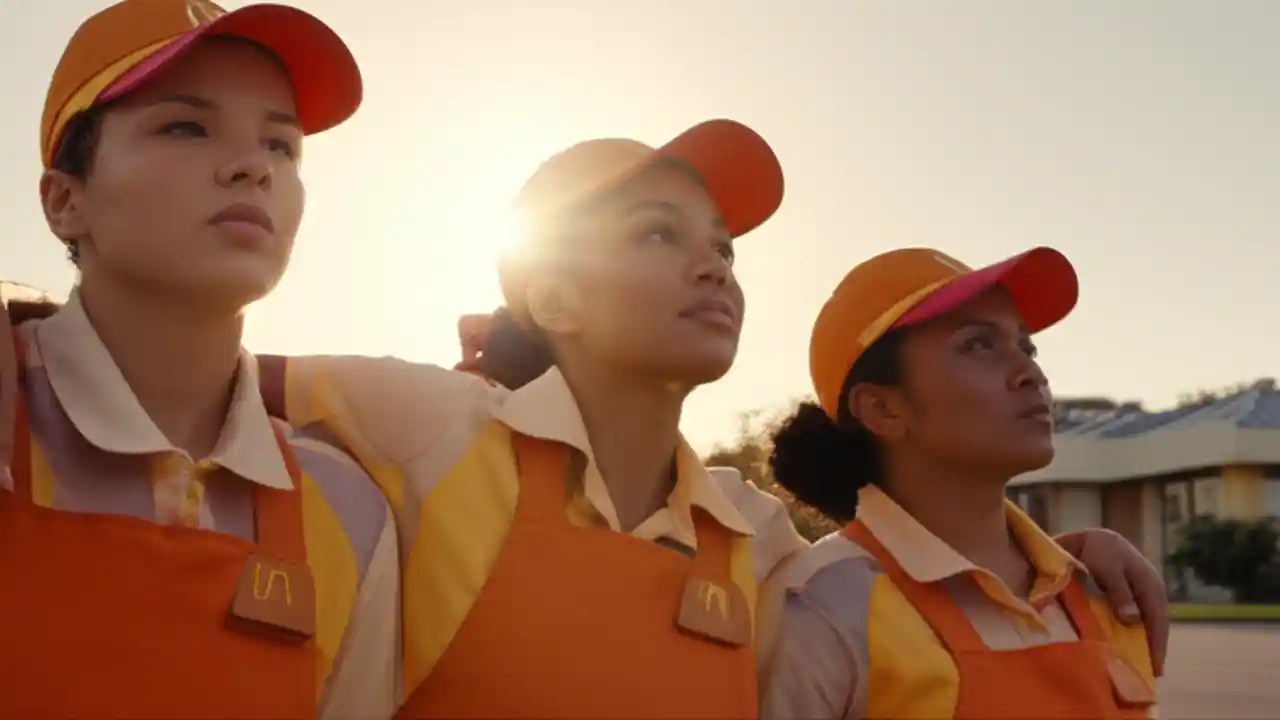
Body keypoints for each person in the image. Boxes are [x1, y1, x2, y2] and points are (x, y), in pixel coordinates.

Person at [255, 123, 1168, 717]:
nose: (714, 268)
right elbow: (192, 385)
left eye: (722, 248)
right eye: (660, 234)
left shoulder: (753, 535)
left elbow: (913, 569)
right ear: (555, 295)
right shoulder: (431, 424)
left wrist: (1067, 554)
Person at [0, 1, 397, 718]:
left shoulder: (348, 509)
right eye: (186, 126)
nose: (254, 167)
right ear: (64, 201)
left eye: (281, 146)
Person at [758, 247, 1160, 719]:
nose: (1032, 373)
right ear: (882, 409)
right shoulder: (824, 608)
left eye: (1026, 347)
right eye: (978, 345)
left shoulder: (1104, 589)